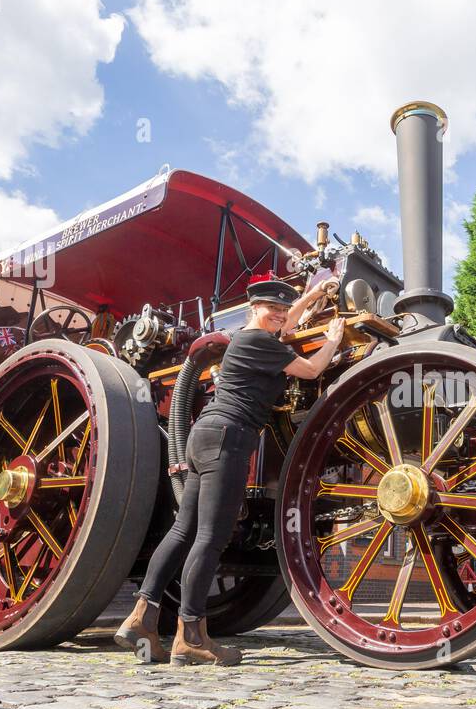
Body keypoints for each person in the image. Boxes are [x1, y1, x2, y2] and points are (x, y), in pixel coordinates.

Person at [114, 275, 344, 665]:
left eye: (282, 310)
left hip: (205, 435)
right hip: (230, 438)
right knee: (210, 538)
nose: (280, 316)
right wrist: (335, 340)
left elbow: (287, 323)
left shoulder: (247, 338)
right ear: (254, 308)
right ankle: (190, 637)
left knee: (184, 530)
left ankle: (141, 619)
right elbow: (309, 369)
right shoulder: (261, 342)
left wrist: (314, 294)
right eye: (273, 309)